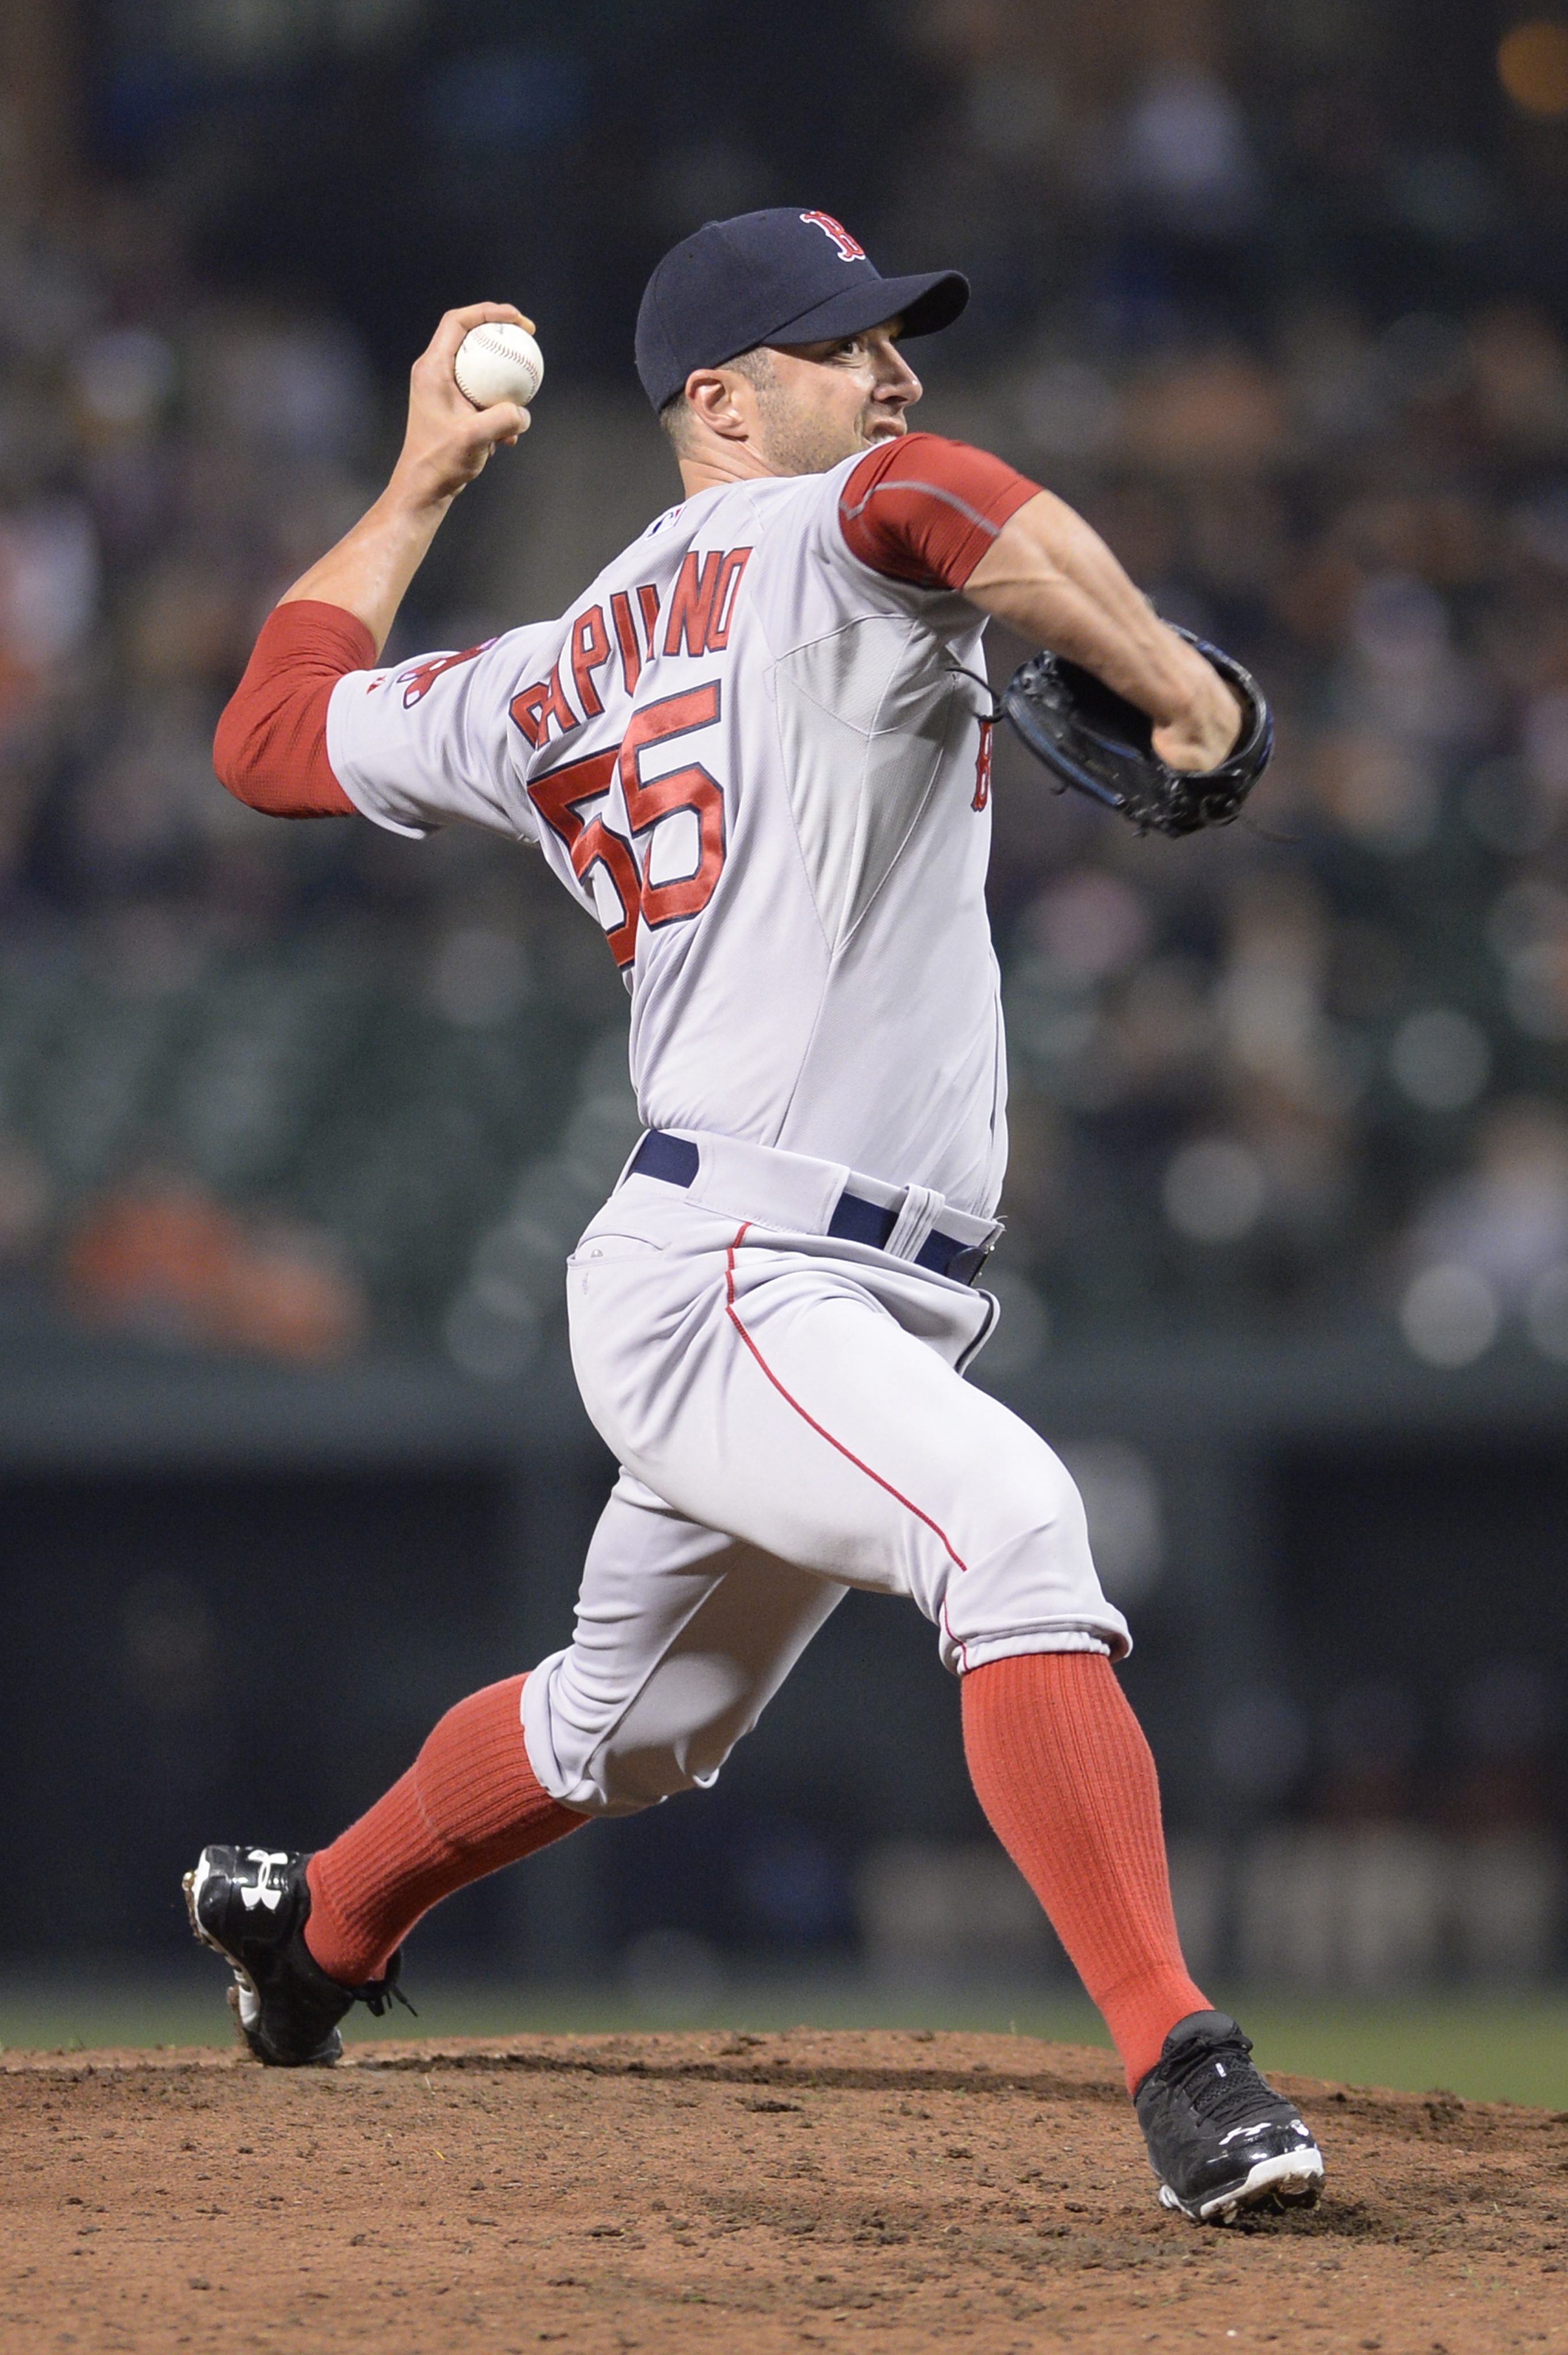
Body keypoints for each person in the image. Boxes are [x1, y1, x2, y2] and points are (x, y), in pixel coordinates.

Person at [186, 208, 1322, 2226]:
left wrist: (414, 486)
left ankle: (322, 1927)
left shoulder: (545, 673)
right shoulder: (827, 532)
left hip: (768, 1271)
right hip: (747, 1268)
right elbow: (939, 497)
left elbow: (270, 737)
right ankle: (1188, 2064)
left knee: (624, 1732)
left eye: (896, 337)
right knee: (1015, 1528)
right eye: (839, 343)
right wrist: (1178, 689)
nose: (891, 373)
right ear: (717, 403)